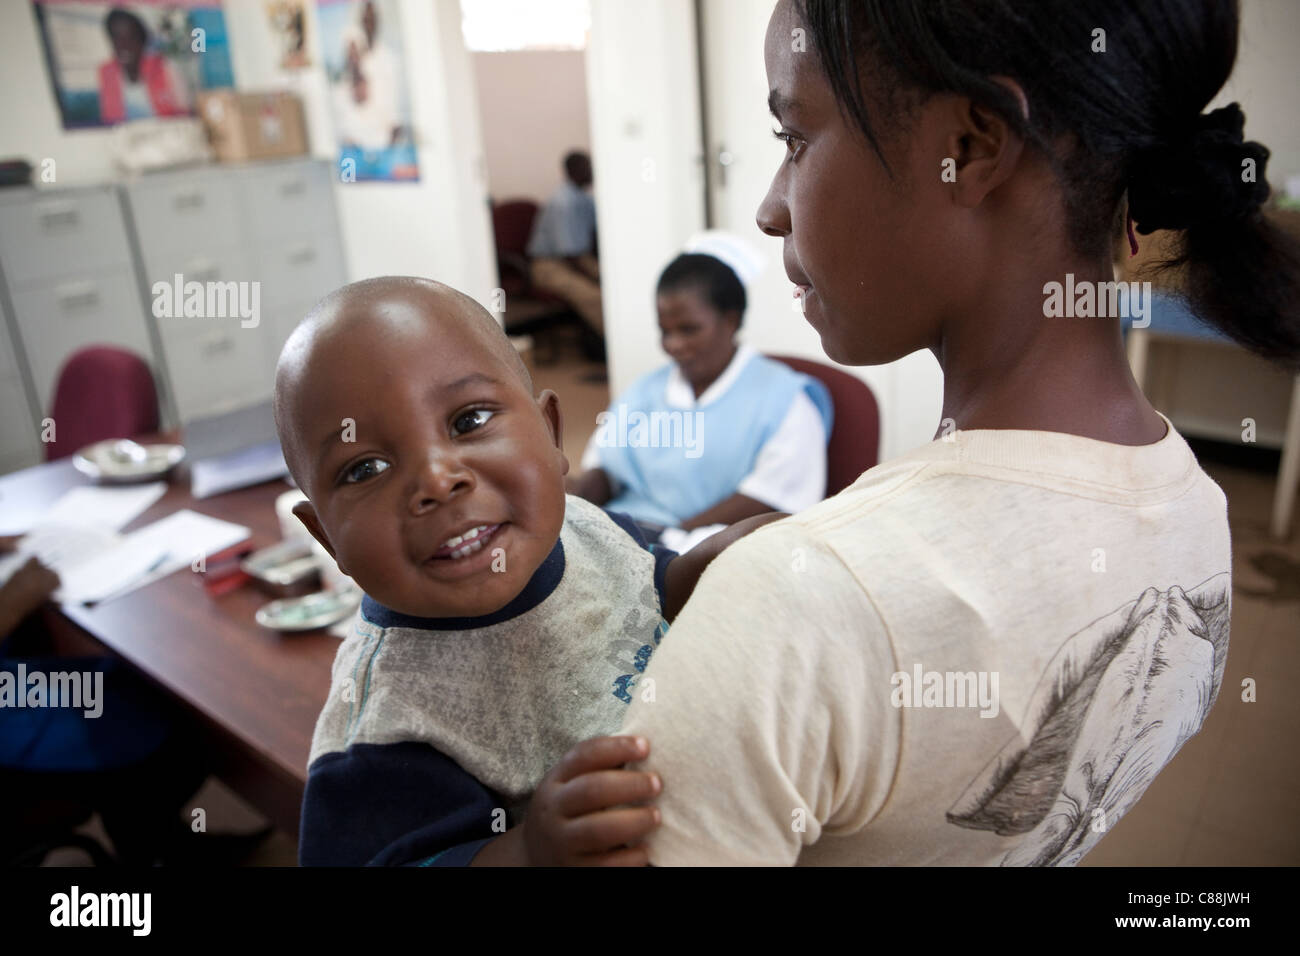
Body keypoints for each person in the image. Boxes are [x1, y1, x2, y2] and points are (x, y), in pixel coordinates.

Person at [509, 0, 1300, 865]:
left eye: (796, 139)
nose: (773, 209)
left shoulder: (797, 607)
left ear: (969, 147)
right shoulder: (1197, 523)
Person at [273, 276, 778, 865]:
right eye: (366, 468)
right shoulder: (387, 731)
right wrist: (529, 852)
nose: (438, 480)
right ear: (325, 537)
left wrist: (713, 564)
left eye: (468, 421)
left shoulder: (584, 527)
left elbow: (651, 587)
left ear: (552, 433)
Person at [567, 246, 832, 551]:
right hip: (627, 537)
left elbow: (772, 500)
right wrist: (575, 497)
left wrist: (664, 541)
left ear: (730, 321)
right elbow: (606, 466)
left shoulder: (785, 401)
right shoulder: (644, 391)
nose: (674, 345)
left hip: (719, 546)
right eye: (665, 331)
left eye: (689, 329)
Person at [527, 152, 603, 336]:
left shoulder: (582, 198)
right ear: (573, 172)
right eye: (588, 168)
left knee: (617, 285)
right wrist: (594, 278)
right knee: (595, 297)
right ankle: (614, 346)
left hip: (577, 258)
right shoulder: (564, 203)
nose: (592, 172)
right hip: (548, 265)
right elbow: (569, 254)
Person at [98, 7, 190, 125]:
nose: (124, 45)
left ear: (142, 40)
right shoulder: (107, 74)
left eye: (131, 38)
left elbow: (186, 117)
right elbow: (108, 124)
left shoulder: (165, 68)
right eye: (117, 37)